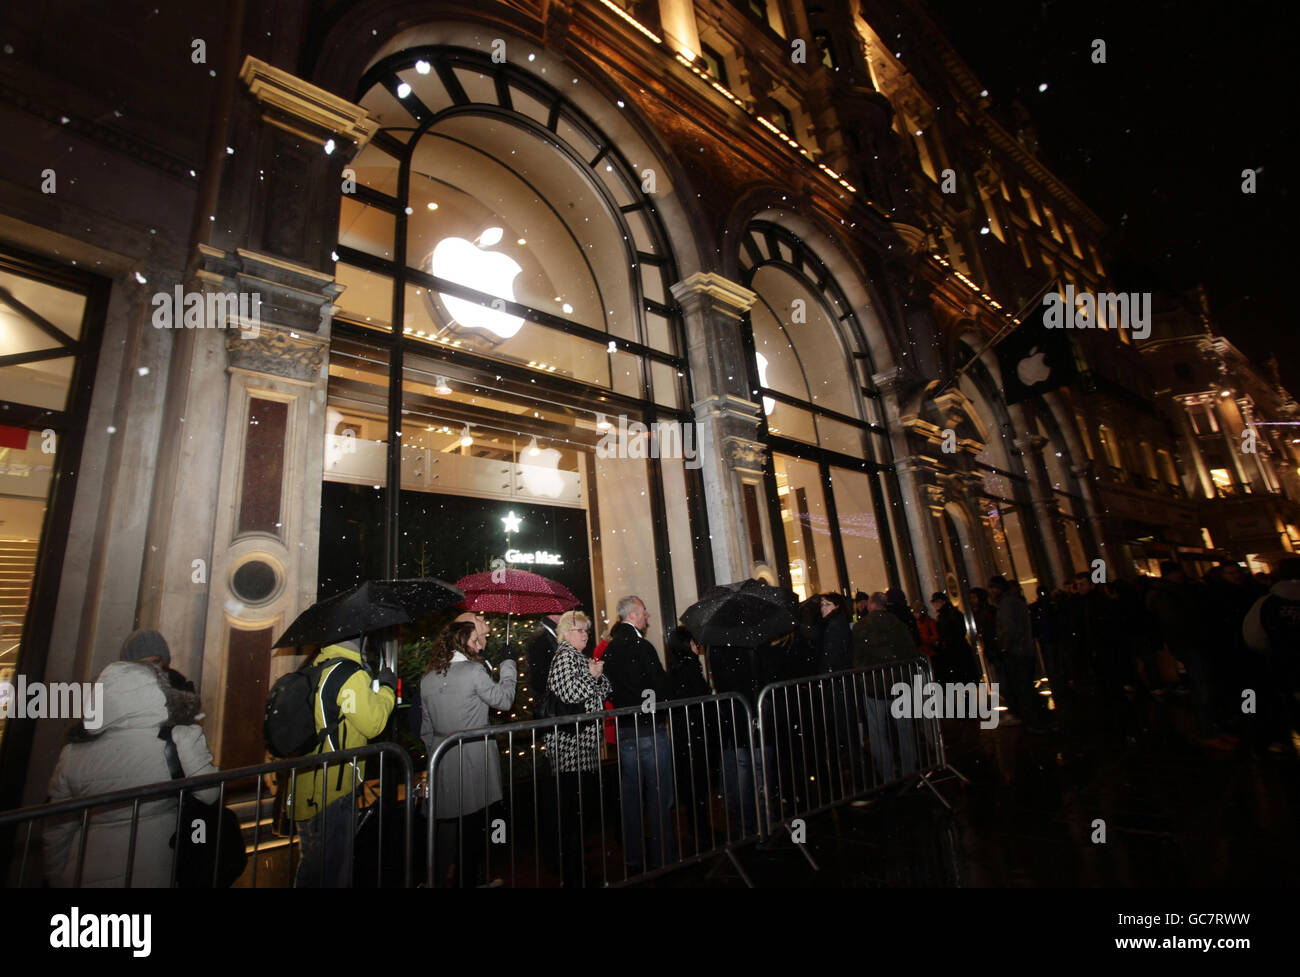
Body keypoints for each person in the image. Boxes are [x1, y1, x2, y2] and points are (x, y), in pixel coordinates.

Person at [45, 660, 219, 887]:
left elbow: (58, 828)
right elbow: (210, 794)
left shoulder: (72, 753)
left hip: (86, 868)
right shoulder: (178, 738)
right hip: (156, 863)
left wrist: (57, 875)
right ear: (155, 693)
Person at [292, 634, 397, 887]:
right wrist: (387, 689)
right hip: (334, 790)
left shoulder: (315, 667)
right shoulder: (349, 673)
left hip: (307, 785)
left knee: (312, 868)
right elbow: (373, 724)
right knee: (333, 872)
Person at [420, 620, 517, 887]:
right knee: (473, 825)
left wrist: (435, 759)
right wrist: (508, 666)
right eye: (477, 639)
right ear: (466, 643)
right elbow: (504, 699)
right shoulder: (474, 671)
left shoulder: (427, 679)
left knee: (451, 822)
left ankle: (445, 879)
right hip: (474, 756)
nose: (481, 643)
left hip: (443, 758)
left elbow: (426, 730)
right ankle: (469, 879)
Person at [602, 595, 678, 872]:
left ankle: (633, 857)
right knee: (659, 794)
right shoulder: (641, 647)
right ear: (633, 614)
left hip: (625, 731)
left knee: (632, 796)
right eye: (645, 612)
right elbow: (659, 685)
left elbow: (609, 689)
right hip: (649, 729)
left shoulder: (610, 649)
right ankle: (663, 856)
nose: (648, 616)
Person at [544, 610, 611, 886]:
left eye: (586, 630)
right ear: (566, 634)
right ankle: (572, 874)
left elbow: (607, 687)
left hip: (583, 746)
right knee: (572, 814)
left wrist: (595, 677)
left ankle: (577, 868)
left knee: (579, 813)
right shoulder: (564, 656)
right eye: (580, 630)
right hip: (570, 747)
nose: (585, 635)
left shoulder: (579, 657)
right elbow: (569, 693)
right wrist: (592, 678)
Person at [850, 593, 918, 787]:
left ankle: (887, 773)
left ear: (871, 605)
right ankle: (909, 770)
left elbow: (858, 656)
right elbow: (910, 651)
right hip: (899, 684)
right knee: (904, 729)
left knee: (878, 732)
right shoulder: (898, 624)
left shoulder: (862, 627)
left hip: (874, 687)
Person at [1242, 556, 1300, 752]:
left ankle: (1281, 740)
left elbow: (1253, 636)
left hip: (1282, 661)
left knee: (1284, 699)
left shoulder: (1266, 603)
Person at [665, 625, 714, 852]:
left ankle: (698, 830)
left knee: (692, 785)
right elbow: (699, 695)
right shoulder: (689, 668)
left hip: (685, 734)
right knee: (698, 785)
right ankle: (701, 832)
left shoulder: (676, 668)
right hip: (694, 733)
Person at [989, 575, 1046, 731]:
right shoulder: (1013, 602)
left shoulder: (1007, 604)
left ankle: (1035, 721)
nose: (991, 592)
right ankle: (1037, 719)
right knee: (1026, 687)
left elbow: (1008, 630)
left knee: (1023, 689)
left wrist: (1003, 647)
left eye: (993, 588)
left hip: (1017, 652)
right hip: (1022, 650)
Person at [120, 628, 195, 693]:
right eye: (142, 664)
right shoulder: (117, 692)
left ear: (164, 662)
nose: (150, 669)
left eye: (155, 662)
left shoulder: (182, 694)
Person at [932, 592, 979, 684]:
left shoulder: (951, 614)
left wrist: (947, 641)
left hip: (957, 649)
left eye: (937, 602)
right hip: (953, 649)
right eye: (934, 602)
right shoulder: (942, 616)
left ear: (943, 602)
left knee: (962, 677)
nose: (935, 605)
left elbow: (959, 632)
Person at [819, 593, 854, 672]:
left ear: (837, 606)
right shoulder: (838, 620)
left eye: (828, 604)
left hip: (837, 673)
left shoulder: (834, 624)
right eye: (822, 605)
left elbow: (831, 653)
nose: (823, 608)